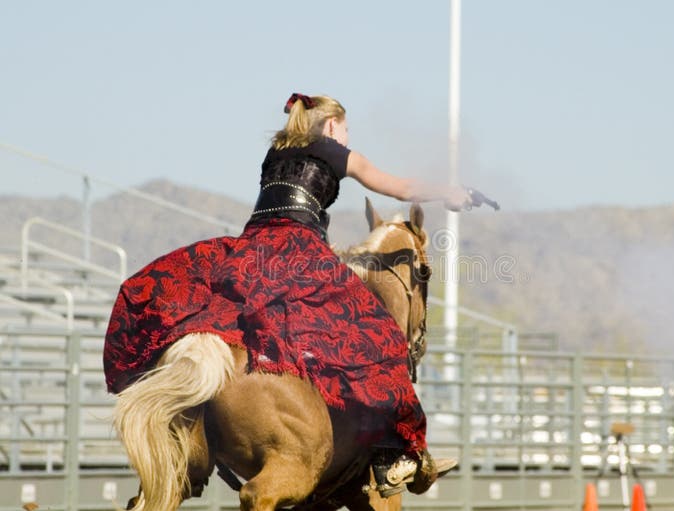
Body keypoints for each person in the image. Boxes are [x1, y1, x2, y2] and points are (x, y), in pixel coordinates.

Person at [103, 92, 471, 497]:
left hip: (248, 251)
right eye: (345, 130)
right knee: (379, 336)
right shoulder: (334, 151)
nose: (347, 138)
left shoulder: (275, 152)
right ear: (332, 126)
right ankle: (395, 453)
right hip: (298, 251)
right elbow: (400, 188)